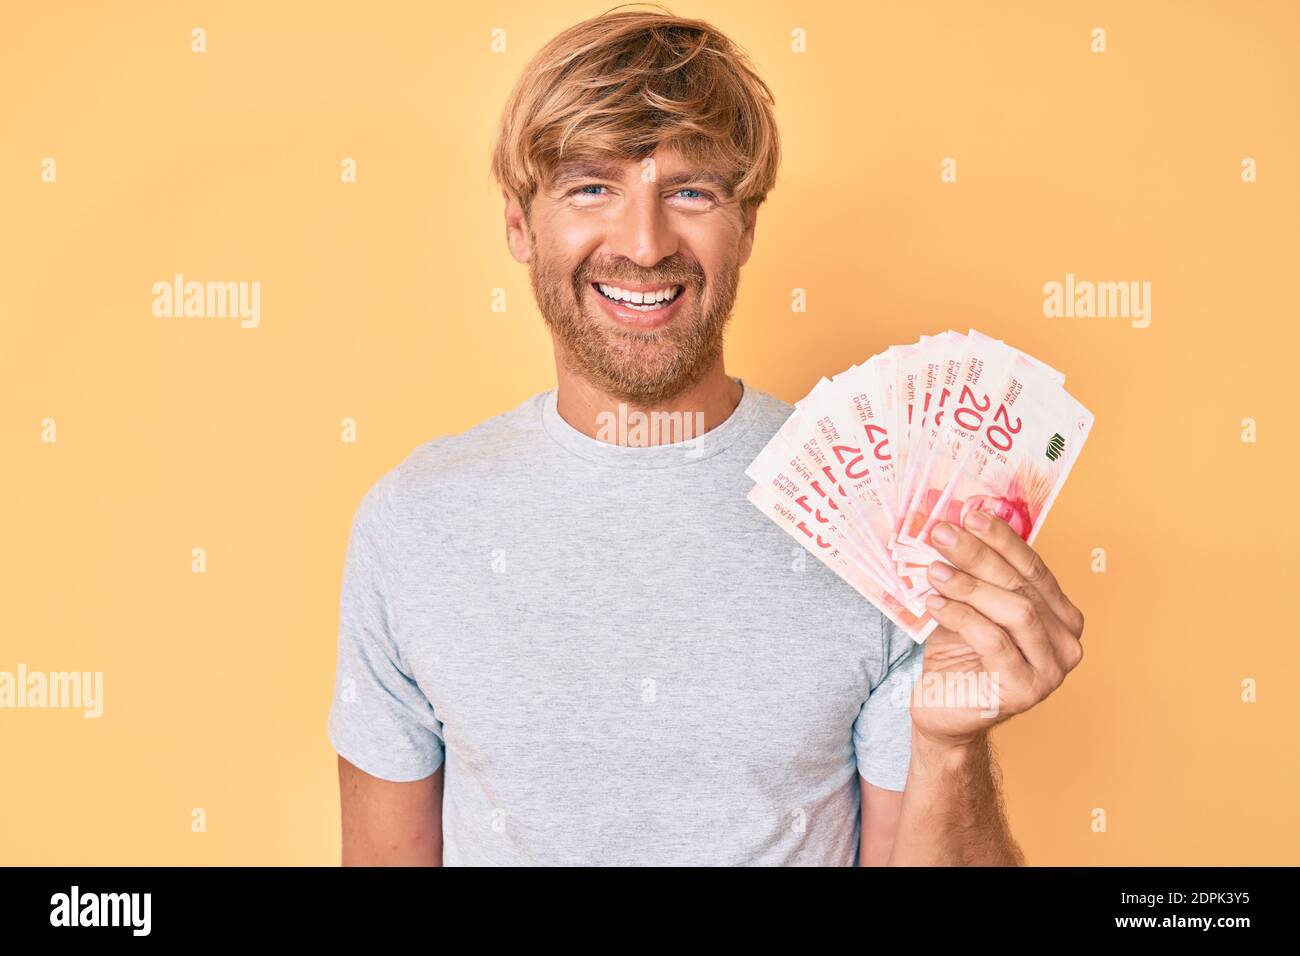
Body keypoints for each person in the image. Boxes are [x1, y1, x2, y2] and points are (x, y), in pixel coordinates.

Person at [327, 5, 1085, 866]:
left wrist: (951, 747)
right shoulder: (411, 524)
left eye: (691, 192)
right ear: (517, 226)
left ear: (747, 228)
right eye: (590, 187)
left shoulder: (886, 521)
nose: (645, 245)